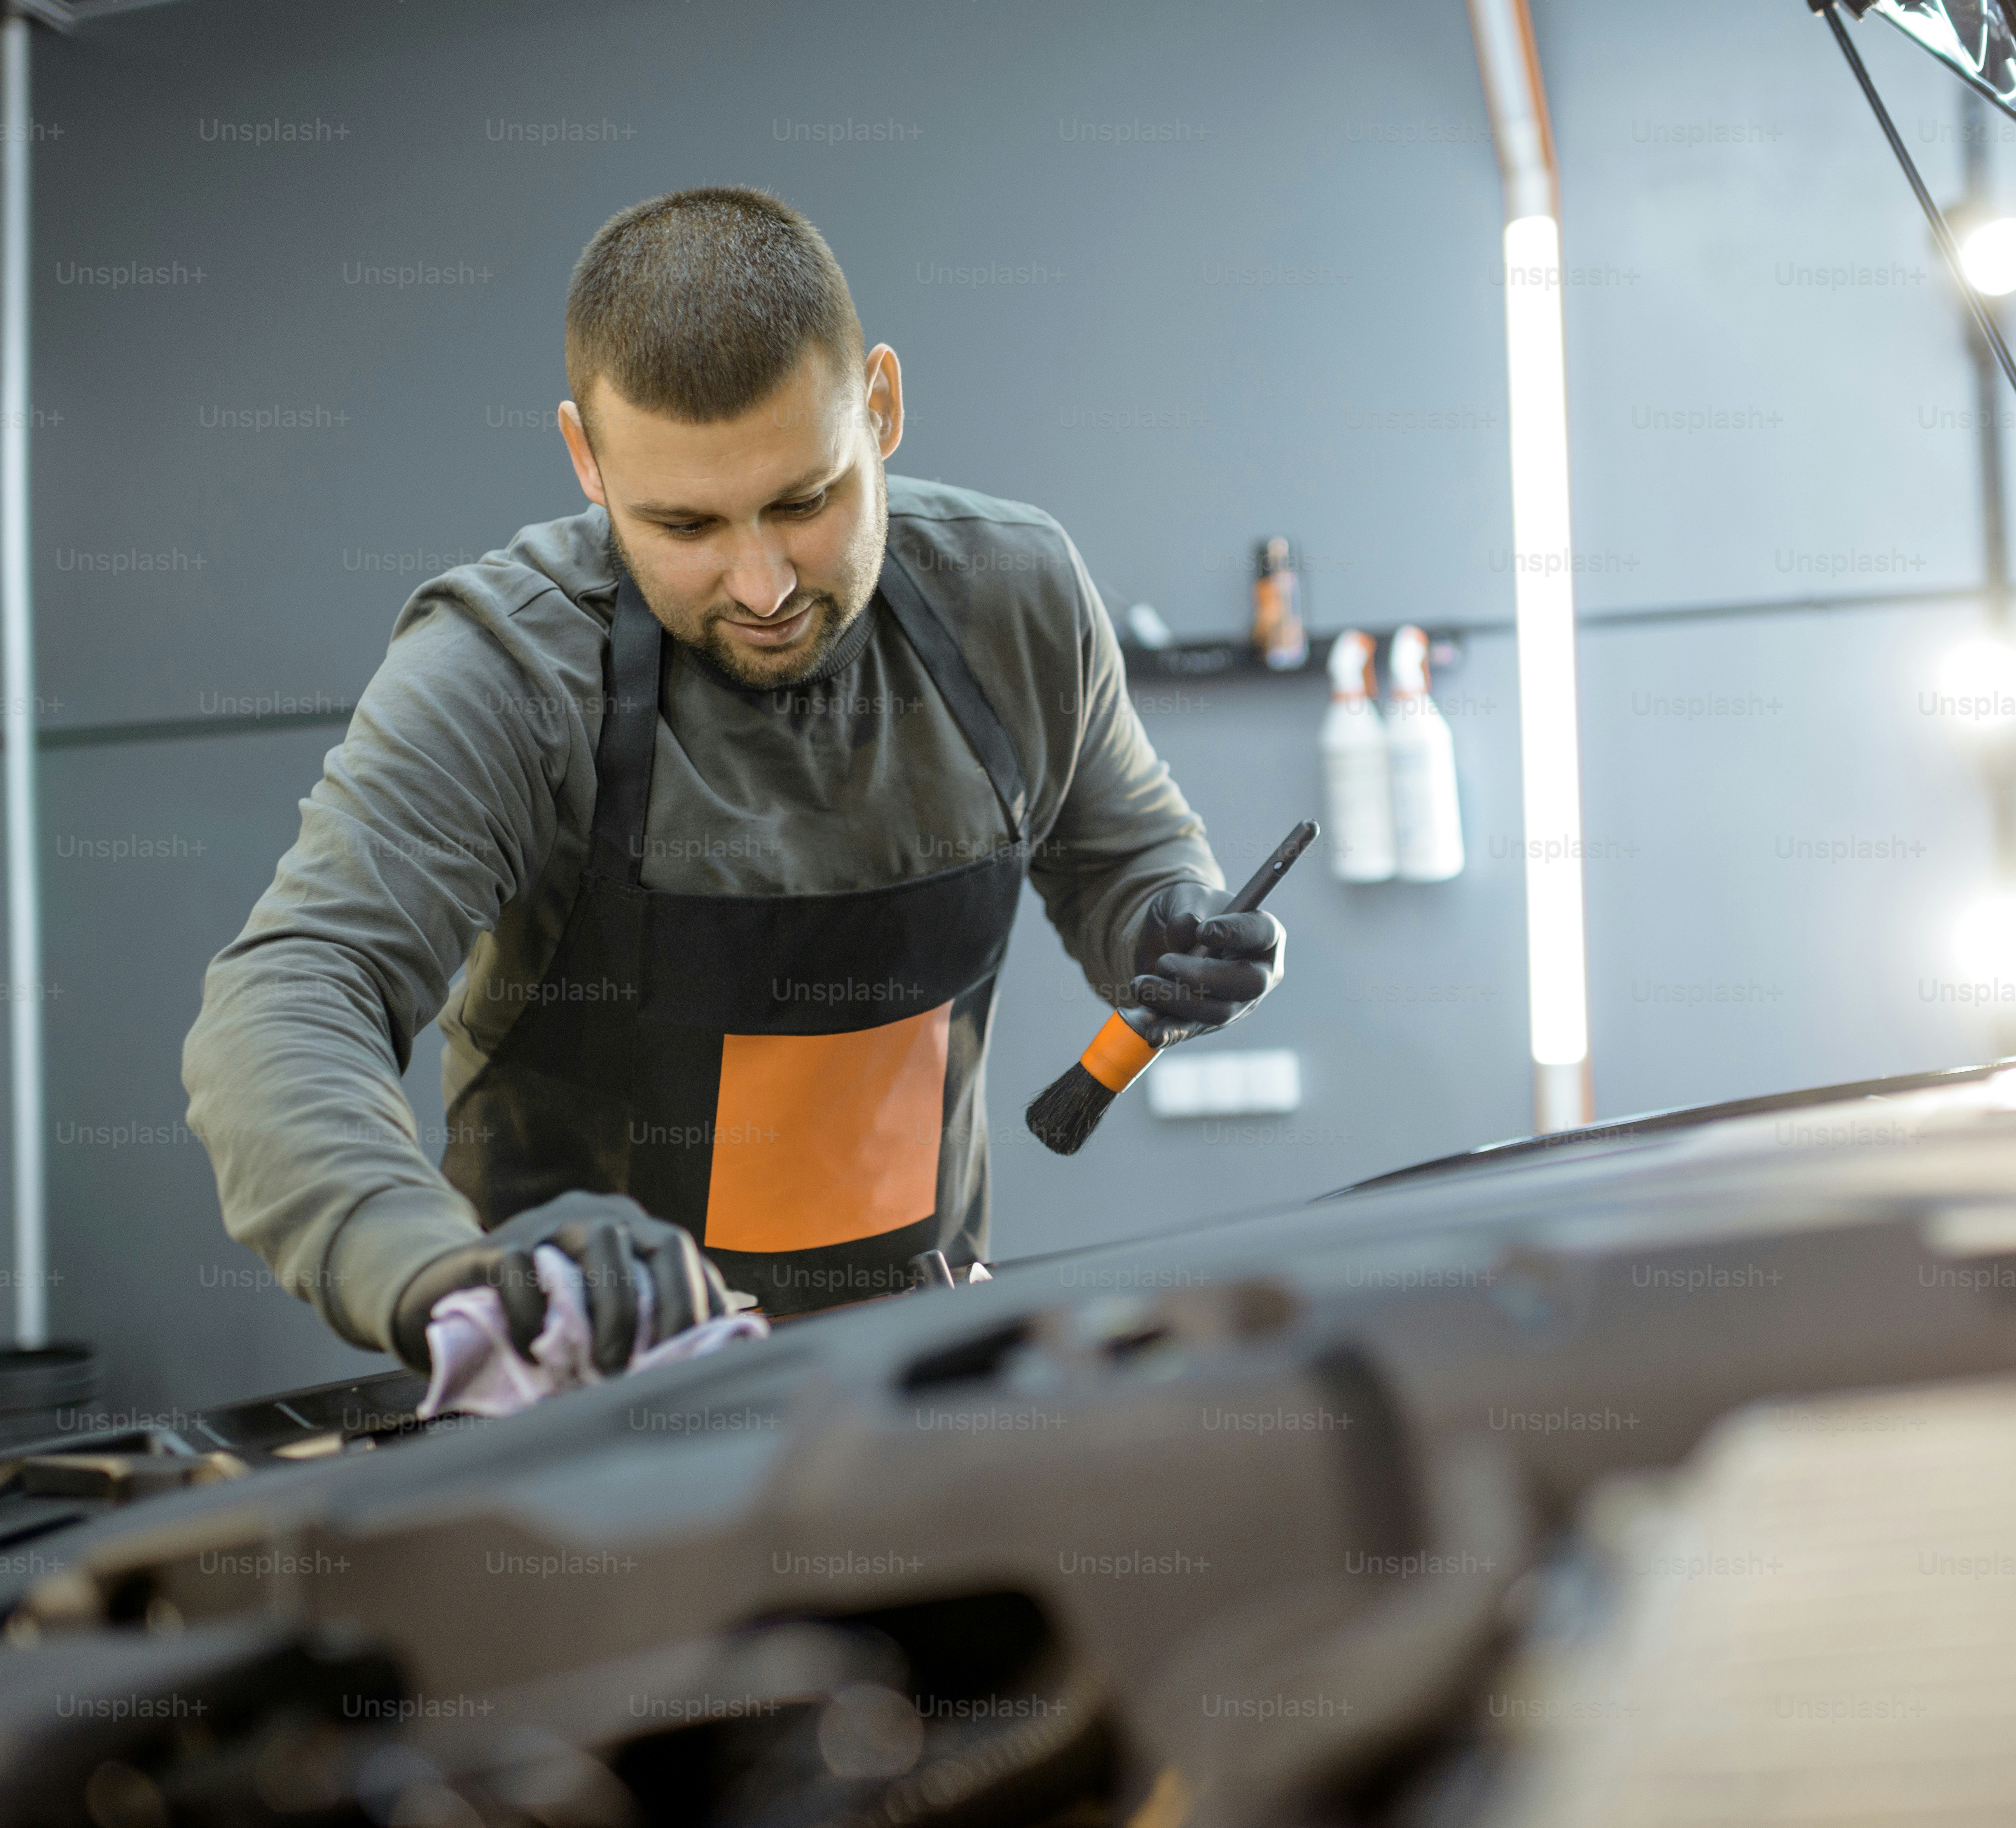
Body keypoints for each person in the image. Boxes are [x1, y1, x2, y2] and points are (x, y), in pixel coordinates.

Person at [183, 186, 1287, 1377]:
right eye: (686, 526)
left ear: (881, 404)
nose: (762, 585)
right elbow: (295, 994)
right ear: (586, 460)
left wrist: (1172, 922)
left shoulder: (1014, 597)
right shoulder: (505, 670)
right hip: (588, 1404)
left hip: (920, 1370)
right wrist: (448, 1278)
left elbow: (1126, 857)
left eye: (804, 502)